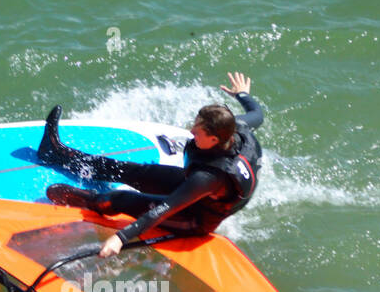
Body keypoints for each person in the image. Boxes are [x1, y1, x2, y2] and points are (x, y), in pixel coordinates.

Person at [38, 72, 264, 257]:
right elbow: (257, 114)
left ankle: (88, 201)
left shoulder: (208, 177)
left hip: (194, 218)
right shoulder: (234, 130)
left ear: (214, 139)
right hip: (200, 192)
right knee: (130, 171)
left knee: (119, 200)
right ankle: (56, 154)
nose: (191, 132)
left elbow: (164, 209)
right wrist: (242, 94)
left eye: (198, 132)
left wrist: (121, 238)